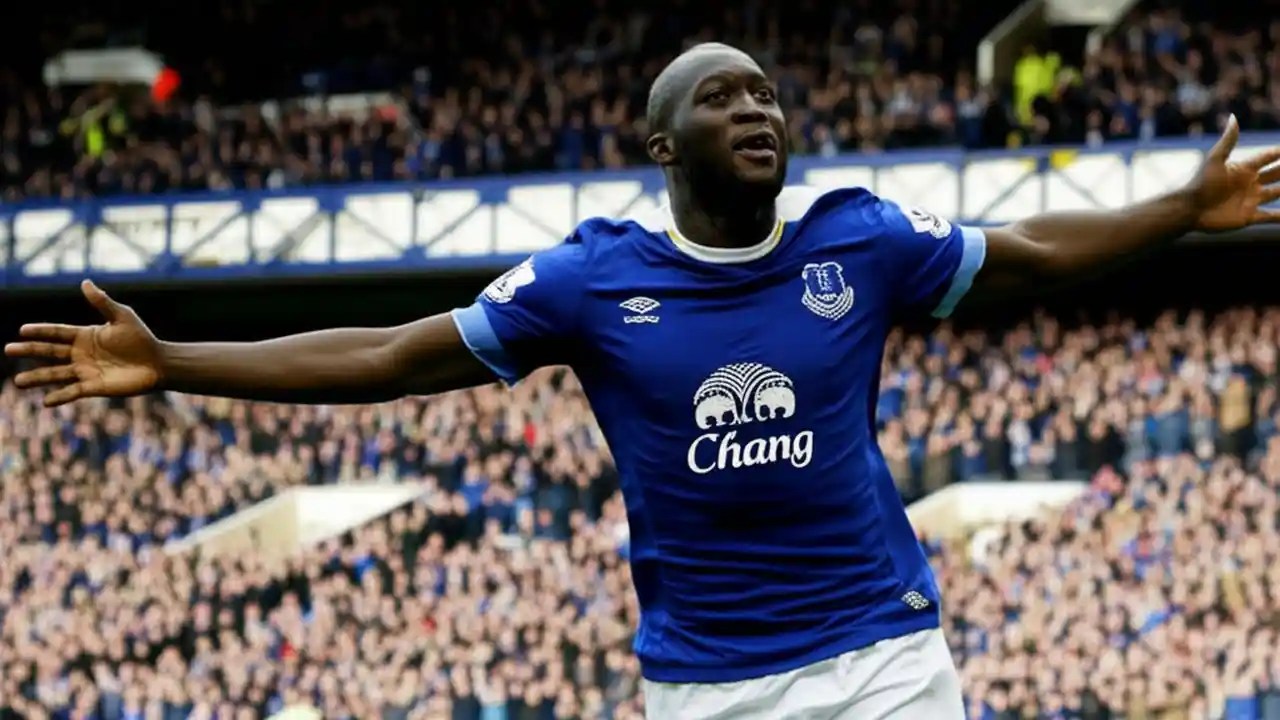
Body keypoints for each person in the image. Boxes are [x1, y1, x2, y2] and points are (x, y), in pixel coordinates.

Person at [7, 43, 1280, 719]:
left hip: (882, 651)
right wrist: (174, 359)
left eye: (770, 95)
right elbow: (393, 355)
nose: (758, 111)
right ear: (662, 144)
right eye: (724, 97)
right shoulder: (586, 281)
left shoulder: (861, 240)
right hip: (705, 682)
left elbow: (1037, 253)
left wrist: (1179, 207)